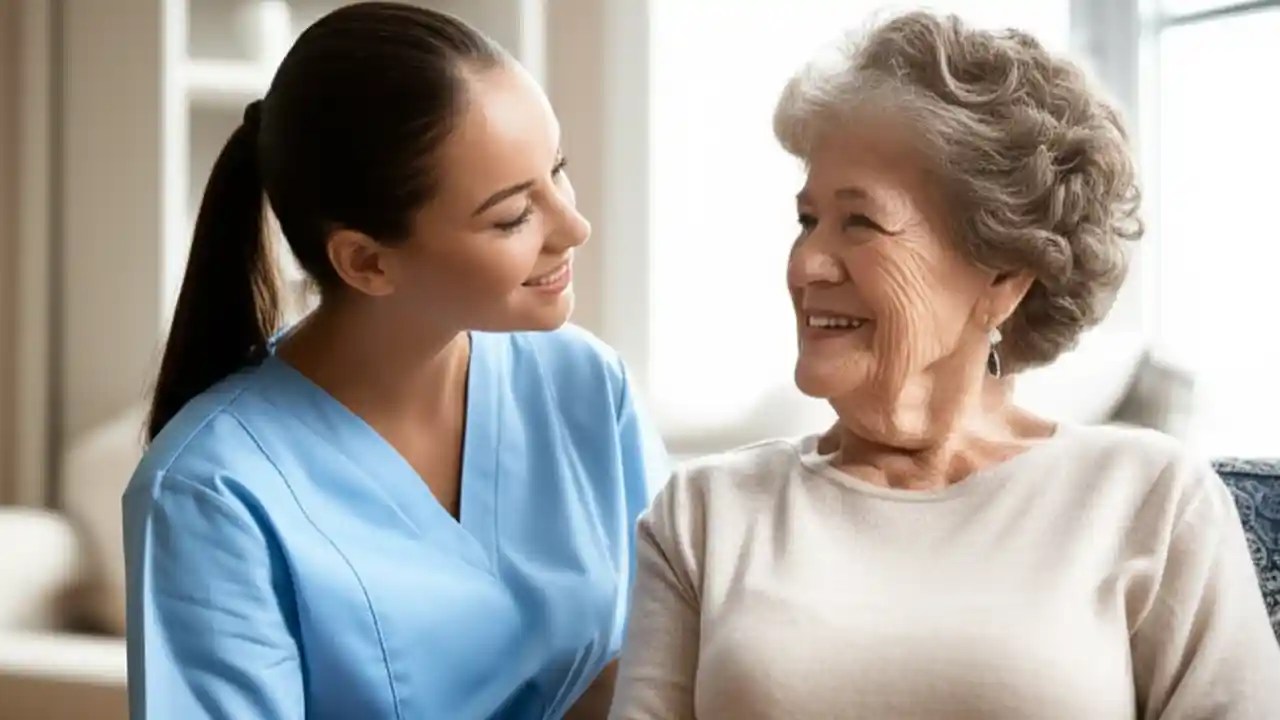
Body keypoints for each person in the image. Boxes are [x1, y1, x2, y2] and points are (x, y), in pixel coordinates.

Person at [609, 11, 1280, 719]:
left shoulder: (1149, 498)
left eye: (859, 222)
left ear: (1003, 277)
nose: (805, 264)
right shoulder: (704, 515)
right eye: (807, 220)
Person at [122, 3, 666, 718]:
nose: (573, 225)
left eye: (556, 171)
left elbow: (673, 651)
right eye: (511, 216)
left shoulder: (588, 387)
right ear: (367, 261)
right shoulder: (210, 492)